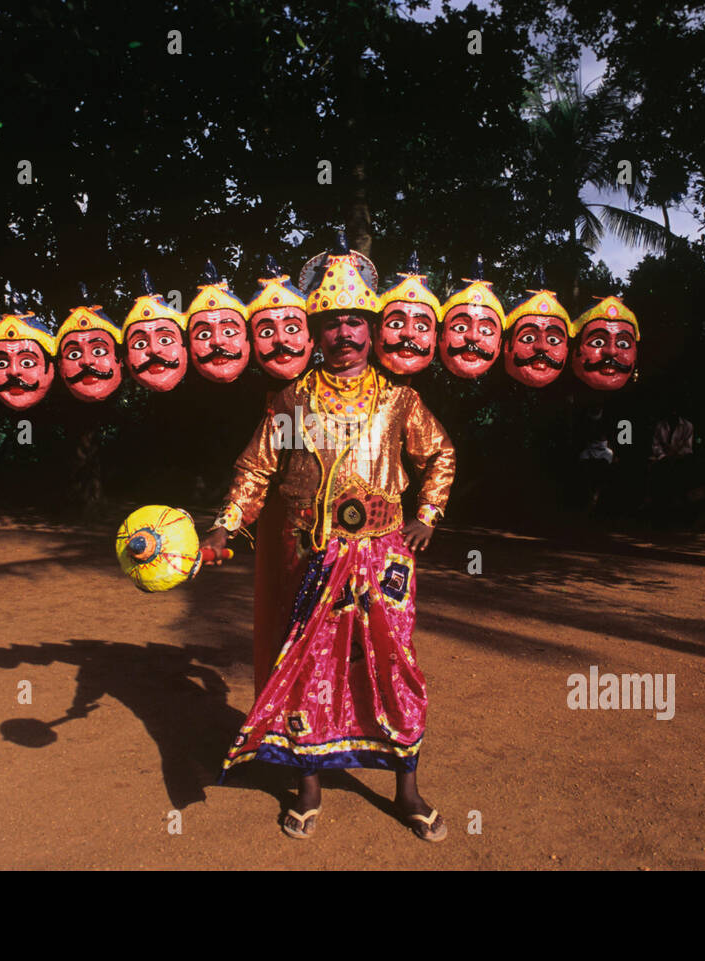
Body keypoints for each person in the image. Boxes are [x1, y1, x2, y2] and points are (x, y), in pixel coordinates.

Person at [201, 234, 456, 843]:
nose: (345, 334)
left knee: (392, 667)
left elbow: (440, 453)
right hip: (307, 555)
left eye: (355, 323)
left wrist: (429, 514)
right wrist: (226, 522)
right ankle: (309, 784)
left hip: (383, 557)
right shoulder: (289, 400)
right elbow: (257, 470)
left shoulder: (399, 400)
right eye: (333, 324)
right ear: (316, 332)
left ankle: (408, 787)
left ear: (371, 330)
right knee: (309, 668)